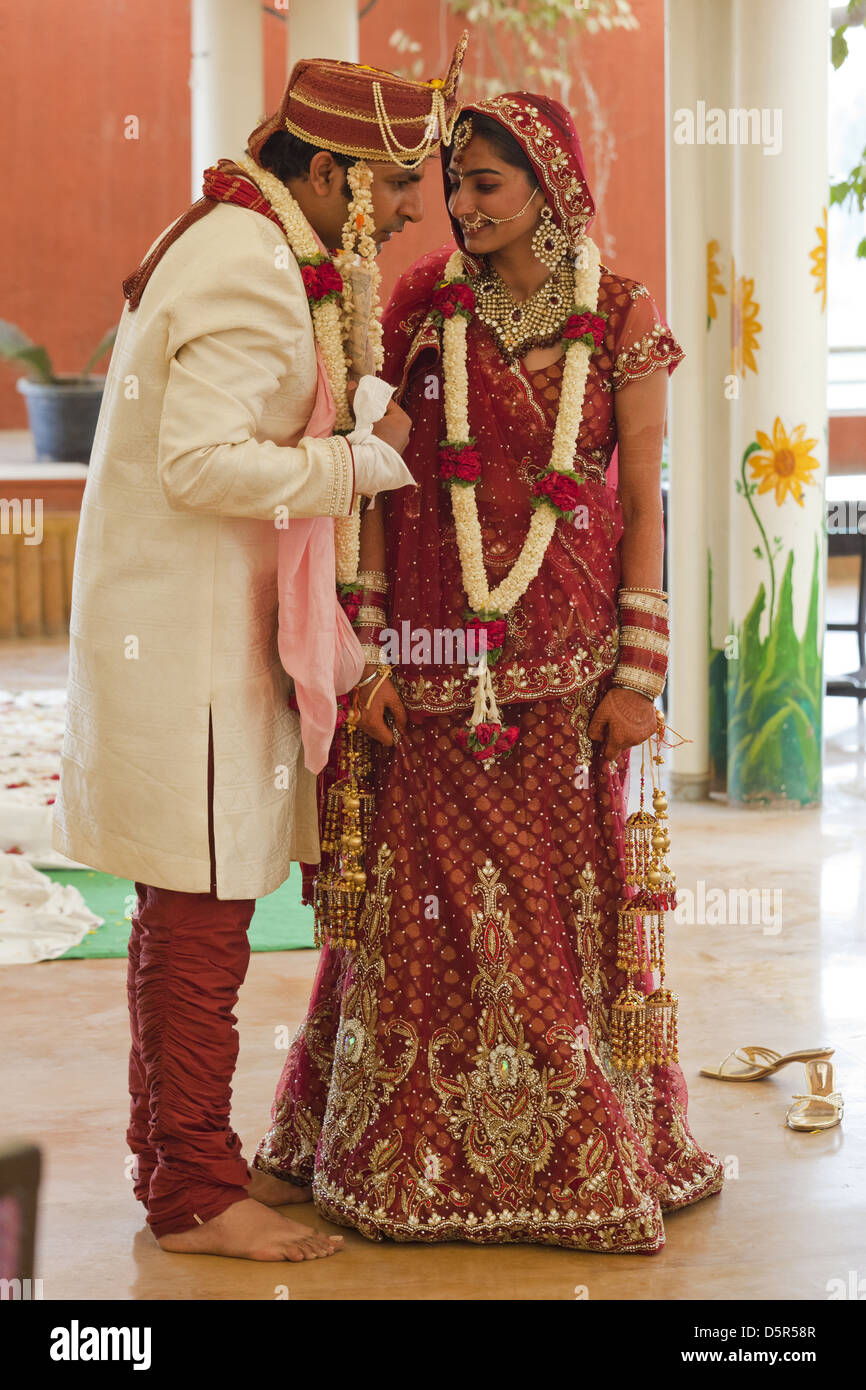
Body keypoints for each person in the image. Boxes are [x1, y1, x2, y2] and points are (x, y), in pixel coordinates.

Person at [252, 92, 725, 1253]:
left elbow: (640, 504)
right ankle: (401, 1152)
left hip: (566, 670)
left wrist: (642, 666)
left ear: (550, 188)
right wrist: (359, 644)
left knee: (557, 912)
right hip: (428, 664)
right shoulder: (422, 314)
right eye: (452, 187)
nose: (458, 209)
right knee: (423, 910)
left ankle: (578, 1147)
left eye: (484, 186)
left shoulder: (618, 317)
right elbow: (379, 487)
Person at [52, 42, 468, 1262]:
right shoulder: (246, 264)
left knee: (190, 911)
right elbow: (197, 464)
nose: (404, 215)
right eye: (395, 189)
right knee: (202, 916)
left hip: (196, 637)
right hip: (183, 649)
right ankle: (188, 1193)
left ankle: (187, 1164)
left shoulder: (252, 240)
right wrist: (360, 458)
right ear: (333, 171)